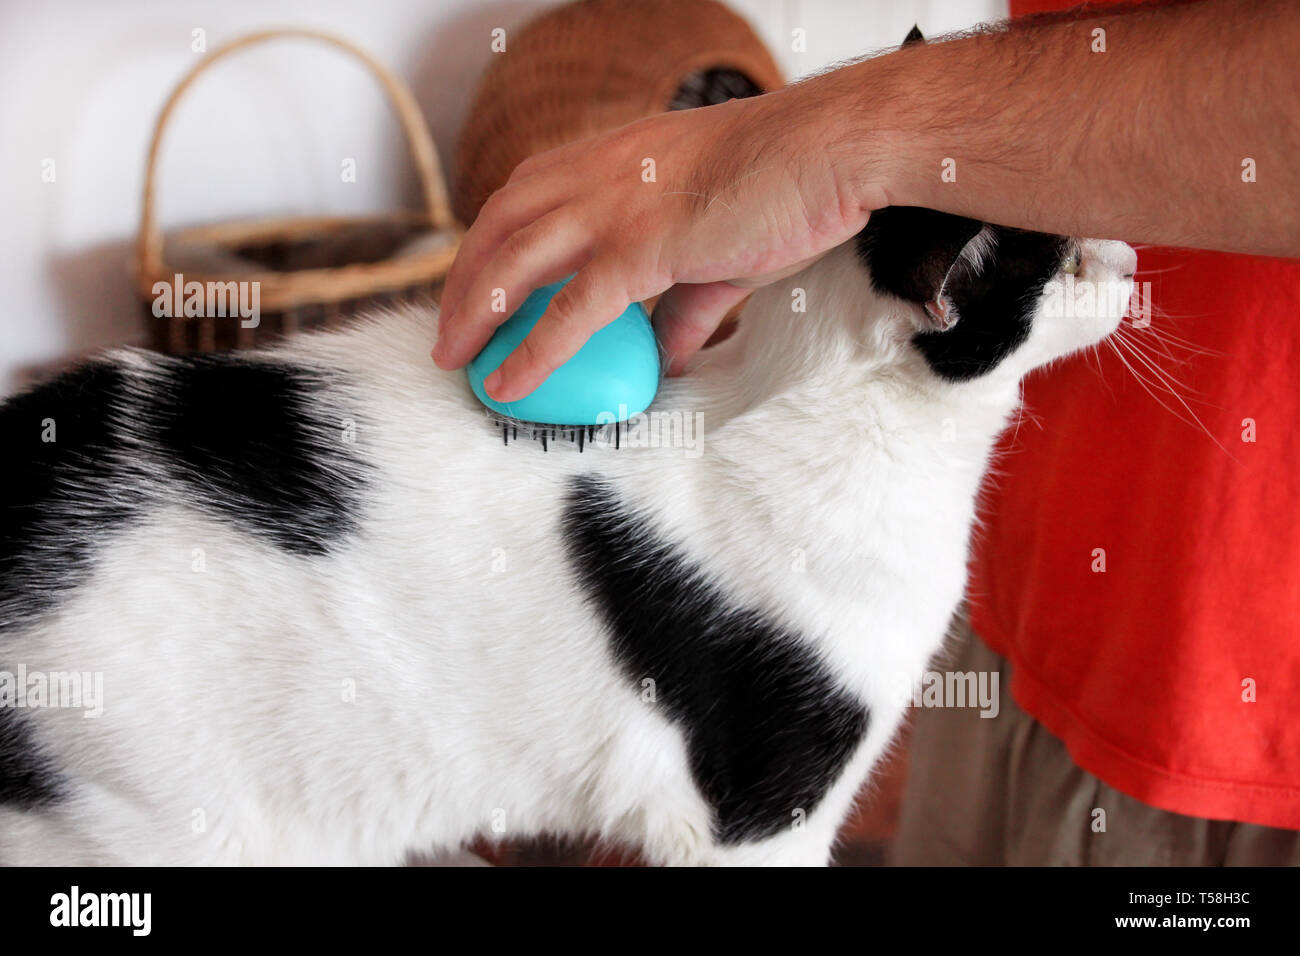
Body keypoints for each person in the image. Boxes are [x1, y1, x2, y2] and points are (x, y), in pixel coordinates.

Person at [435, 0, 1300, 864]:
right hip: (1029, 616)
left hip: (1226, 700)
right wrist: (875, 131)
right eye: (1080, 257)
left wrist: (847, 136)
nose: (1128, 257)